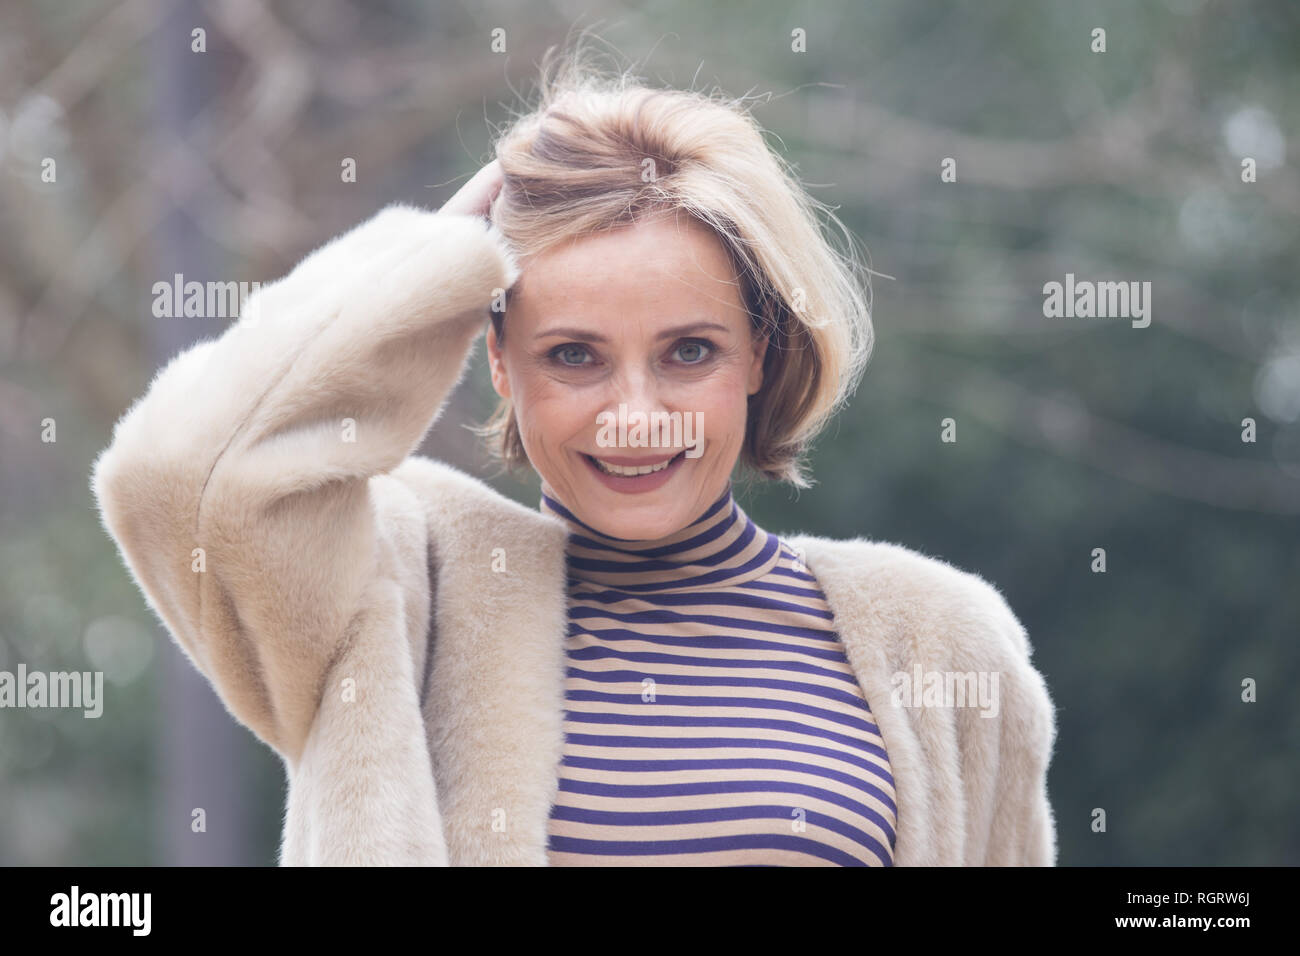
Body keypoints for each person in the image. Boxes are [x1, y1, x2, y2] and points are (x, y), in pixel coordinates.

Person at [91, 47, 1058, 866]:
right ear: (497, 360)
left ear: (760, 353)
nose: (635, 417)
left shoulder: (938, 646)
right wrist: (431, 258)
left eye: (689, 351)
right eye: (574, 357)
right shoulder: (398, 593)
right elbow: (180, 475)